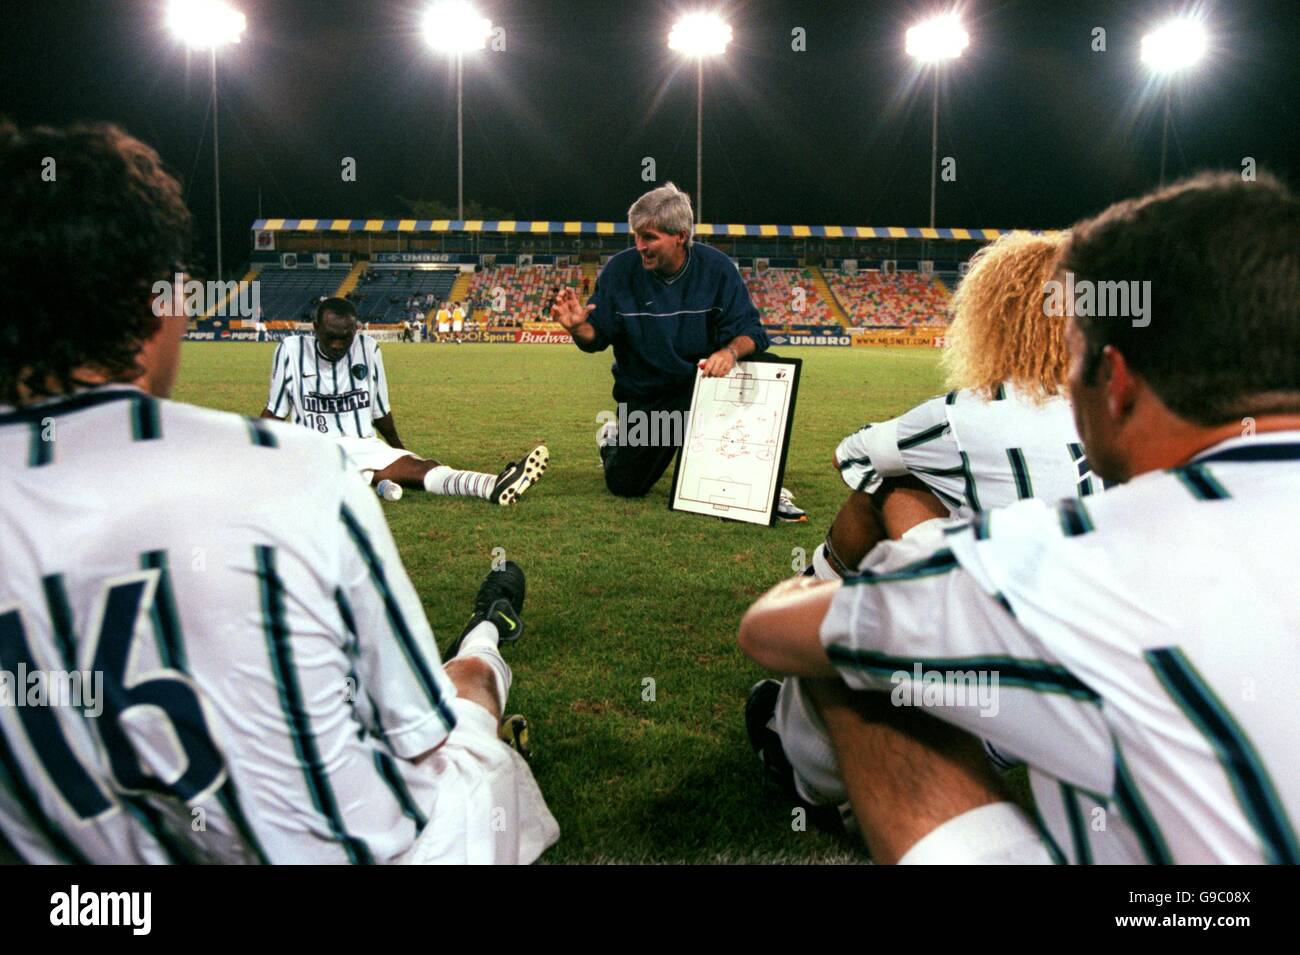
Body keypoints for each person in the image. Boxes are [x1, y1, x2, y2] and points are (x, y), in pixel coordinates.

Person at [0, 119, 559, 863]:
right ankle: (492, 622)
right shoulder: (292, 474)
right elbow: (416, 734)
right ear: (166, 305)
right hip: (386, 846)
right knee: (464, 699)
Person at [738, 171, 1300, 864]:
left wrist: (839, 578)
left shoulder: (1080, 556)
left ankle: (810, 767)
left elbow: (769, 631)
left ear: (1115, 380)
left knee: (856, 670)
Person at [809, 231, 1094, 580]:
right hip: (1106, 605)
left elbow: (847, 457)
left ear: (991, 320)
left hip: (1006, 615)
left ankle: (816, 585)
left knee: (894, 482)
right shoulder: (1115, 407)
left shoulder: (964, 415)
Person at [551, 182, 804, 517]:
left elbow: (752, 333)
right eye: (637, 236)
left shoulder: (717, 269)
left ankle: (765, 482)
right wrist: (579, 328)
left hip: (707, 388)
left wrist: (728, 354)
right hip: (651, 395)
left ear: (681, 235)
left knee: (763, 363)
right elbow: (597, 339)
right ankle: (615, 441)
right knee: (626, 485)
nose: (640, 246)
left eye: (650, 237)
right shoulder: (619, 271)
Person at [262, 296, 547, 505]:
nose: (338, 345)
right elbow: (274, 412)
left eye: (345, 337)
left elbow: (380, 411)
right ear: (315, 328)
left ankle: (494, 486)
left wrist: (401, 452)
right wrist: (246, 450)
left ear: (356, 330)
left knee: (423, 468)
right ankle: (371, 479)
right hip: (315, 449)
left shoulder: (368, 349)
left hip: (363, 445)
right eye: (330, 337)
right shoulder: (290, 350)